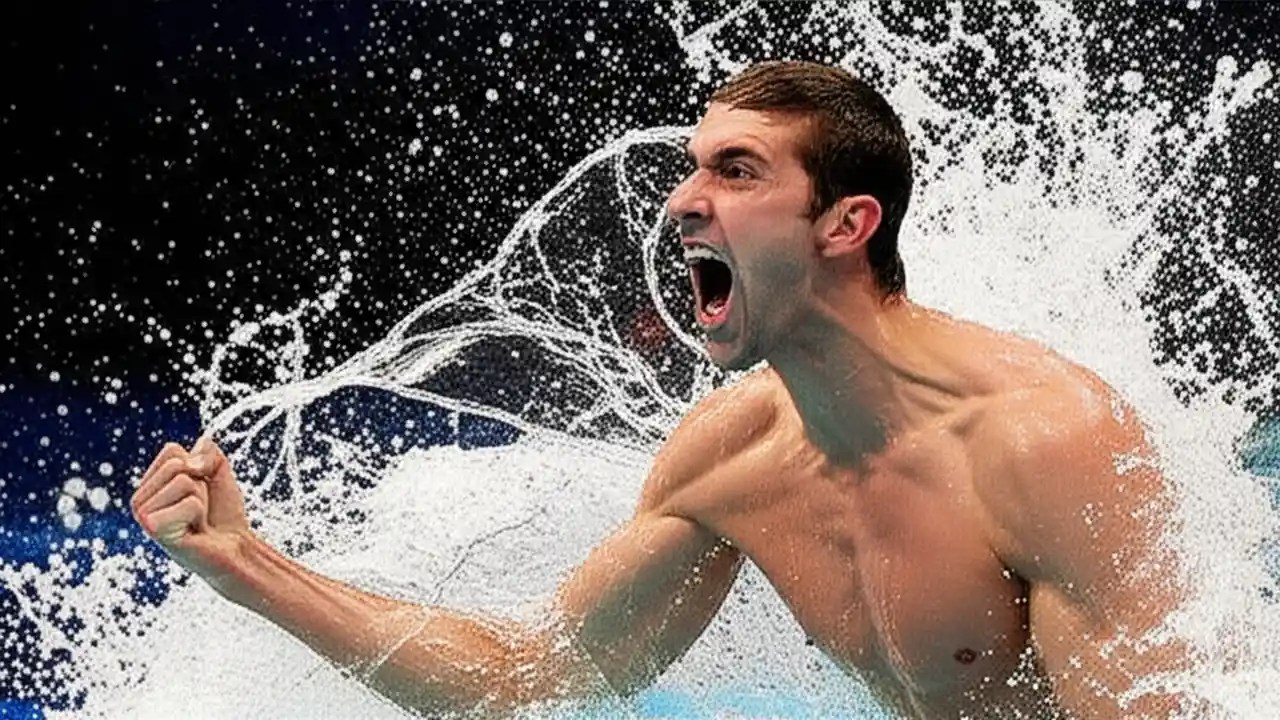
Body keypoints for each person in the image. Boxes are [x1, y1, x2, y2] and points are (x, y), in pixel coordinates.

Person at [131, 61, 1187, 719]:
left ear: (843, 225)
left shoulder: (1043, 448)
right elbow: (524, 681)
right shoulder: (731, 461)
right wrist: (248, 567)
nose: (682, 201)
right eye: (691, 168)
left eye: (734, 172)